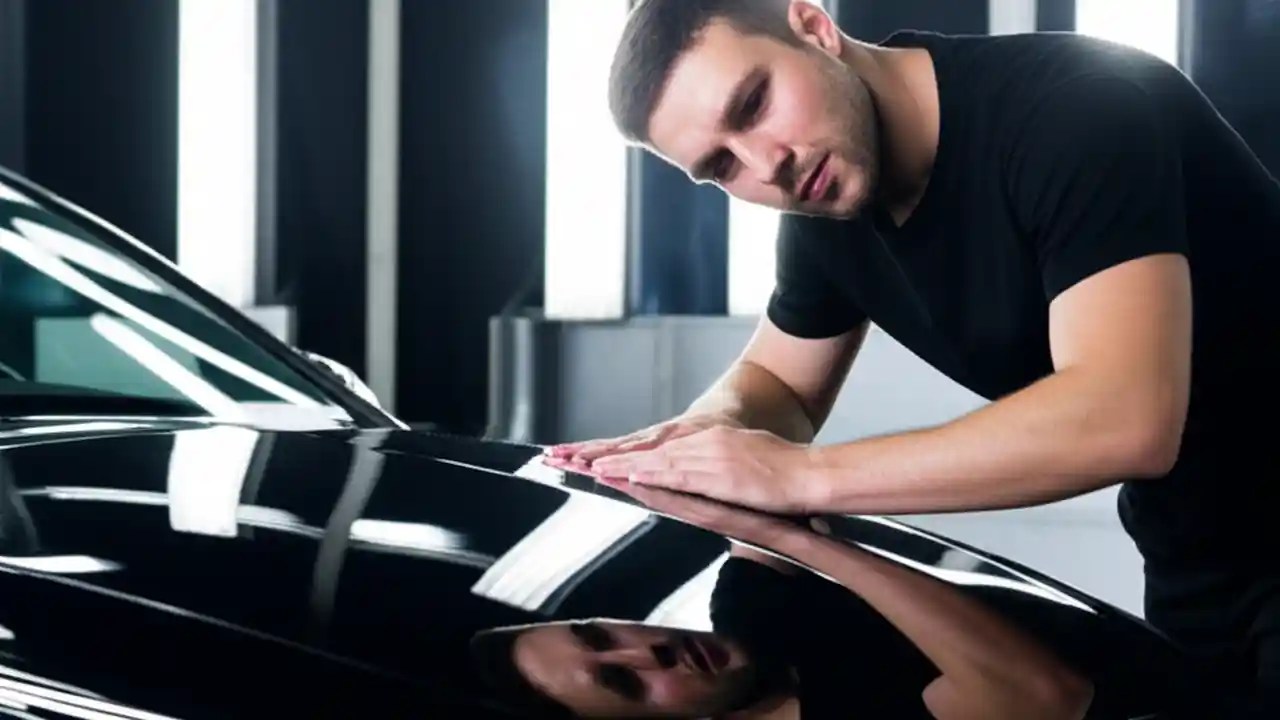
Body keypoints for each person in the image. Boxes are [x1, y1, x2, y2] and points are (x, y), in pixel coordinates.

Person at [541, 0, 1280, 716]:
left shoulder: (1079, 107)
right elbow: (777, 386)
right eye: (720, 165)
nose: (766, 165)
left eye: (755, 103)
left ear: (813, 25)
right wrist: (693, 444)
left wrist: (799, 477)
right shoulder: (826, 207)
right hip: (1200, 558)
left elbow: (1125, 420)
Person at [469, 480, 1109, 719]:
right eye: (624, 685)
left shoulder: (750, 609)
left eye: (603, 635)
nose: (648, 651)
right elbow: (1044, 696)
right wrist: (788, 538)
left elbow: (769, 460)